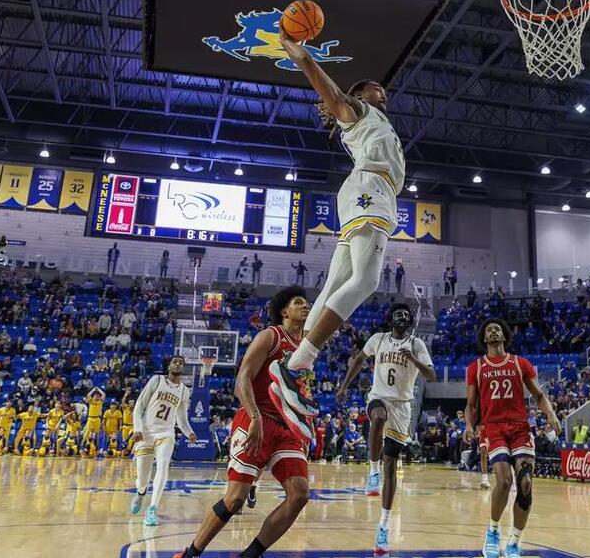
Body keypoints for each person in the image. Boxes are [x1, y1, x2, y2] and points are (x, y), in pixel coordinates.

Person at [271, 30, 405, 438]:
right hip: (370, 189)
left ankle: (291, 359)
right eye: (375, 88)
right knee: (364, 280)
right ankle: (299, 364)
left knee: (336, 284)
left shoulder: (375, 122)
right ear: (361, 94)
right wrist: (304, 59)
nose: (383, 92)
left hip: (365, 190)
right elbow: (332, 95)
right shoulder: (362, 112)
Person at [174, 286, 312, 558]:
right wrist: (256, 417)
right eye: (299, 303)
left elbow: (301, 394)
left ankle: (250, 555)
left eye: (308, 303)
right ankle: (191, 552)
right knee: (236, 498)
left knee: (299, 495)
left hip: (286, 428)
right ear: (285, 312)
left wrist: (302, 428)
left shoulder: (306, 348)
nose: (306, 306)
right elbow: (242, 379)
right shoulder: (270, 336)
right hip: (255, 418)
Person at [337, 303, 436, 555]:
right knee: (377, 417)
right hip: (379, 396)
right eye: (397, 314)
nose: (402, 317)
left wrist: (412, 358)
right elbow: (359, 360)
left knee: (391, 464)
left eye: (406, 315)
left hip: (402, 407)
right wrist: (344, 386)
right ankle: (372, 471)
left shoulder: (416, 345)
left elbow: (431, 376)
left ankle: (383, 524)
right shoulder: (378, 339)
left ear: (409, 321)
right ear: (390, 319)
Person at [463, 318, 562, 558]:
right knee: (505, 481)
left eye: (498, 329)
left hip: (519, 428)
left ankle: (515, 541)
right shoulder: (476, 367)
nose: (494, 332)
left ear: (504, 336)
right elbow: (471, 404)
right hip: (493, 428)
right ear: (484, 338)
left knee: (526, 483)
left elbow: (539, 395)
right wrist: (468, 424)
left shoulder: (520, 363)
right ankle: (493, 531)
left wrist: (551, 414)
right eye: (489, 330)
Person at [130, 355, 196, 526]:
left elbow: (181, 418)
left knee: (163, 467)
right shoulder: (156, 380)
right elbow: (139, 406)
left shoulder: (184, 390)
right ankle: (141, 491)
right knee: (143, 478)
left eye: (181, 362)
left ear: (183, 368)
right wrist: (137, 429)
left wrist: (189, 432)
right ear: (169, 366)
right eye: (175, 361)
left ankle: (152, 508)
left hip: (166, 433)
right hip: (146, 431)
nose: (178, 364)